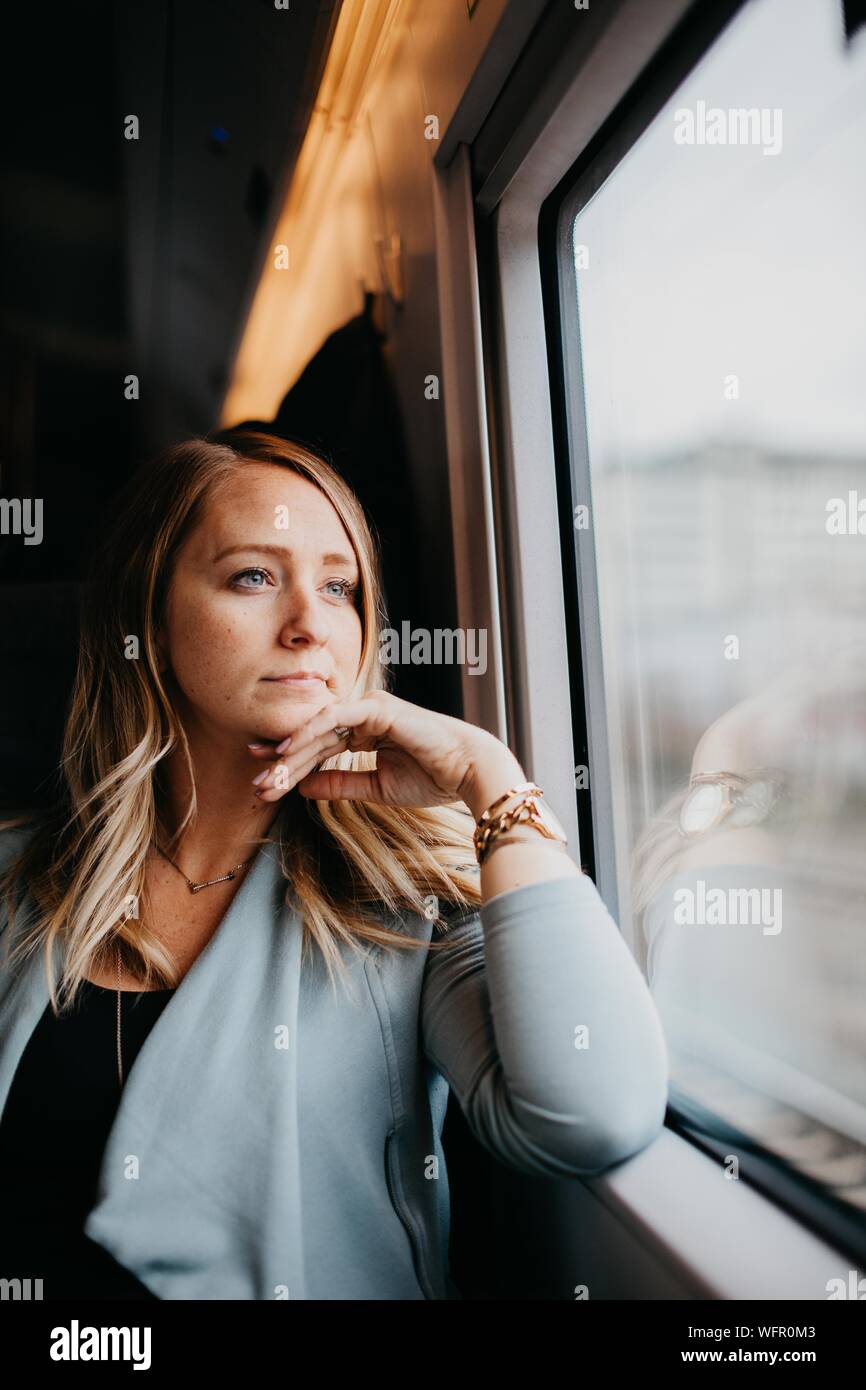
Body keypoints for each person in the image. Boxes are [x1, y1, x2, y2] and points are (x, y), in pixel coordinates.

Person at [0, 429, 668, 1300]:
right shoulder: (18, 876)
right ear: (148, 621)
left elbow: (591, 1120)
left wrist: (489, 781)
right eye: (254, 576)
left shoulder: (408, 896)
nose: (311, 624)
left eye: (340, 588)